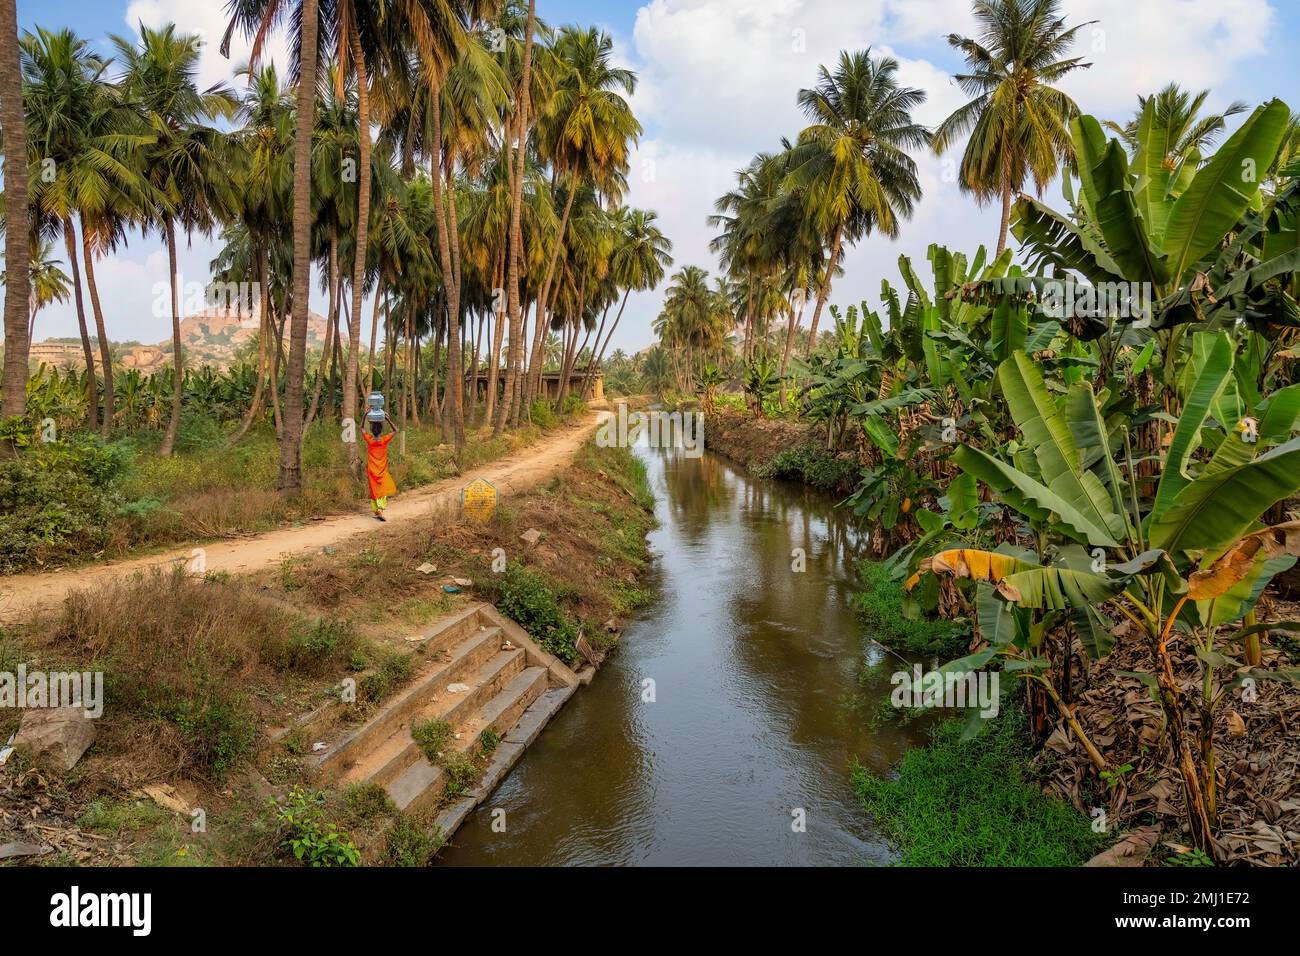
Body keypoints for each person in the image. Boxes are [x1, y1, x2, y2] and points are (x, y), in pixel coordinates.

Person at [362, 415, 398, 520]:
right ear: (381, 430)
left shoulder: (369, 440)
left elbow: (362, 428)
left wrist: (364, 416)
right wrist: (388, 419)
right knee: (382, 489)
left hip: (372, 470)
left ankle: (377, 510)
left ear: (372, 431)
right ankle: (380, 509)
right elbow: (395, 430)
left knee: (374, 490)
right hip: (382, 470)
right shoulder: (384, 440)